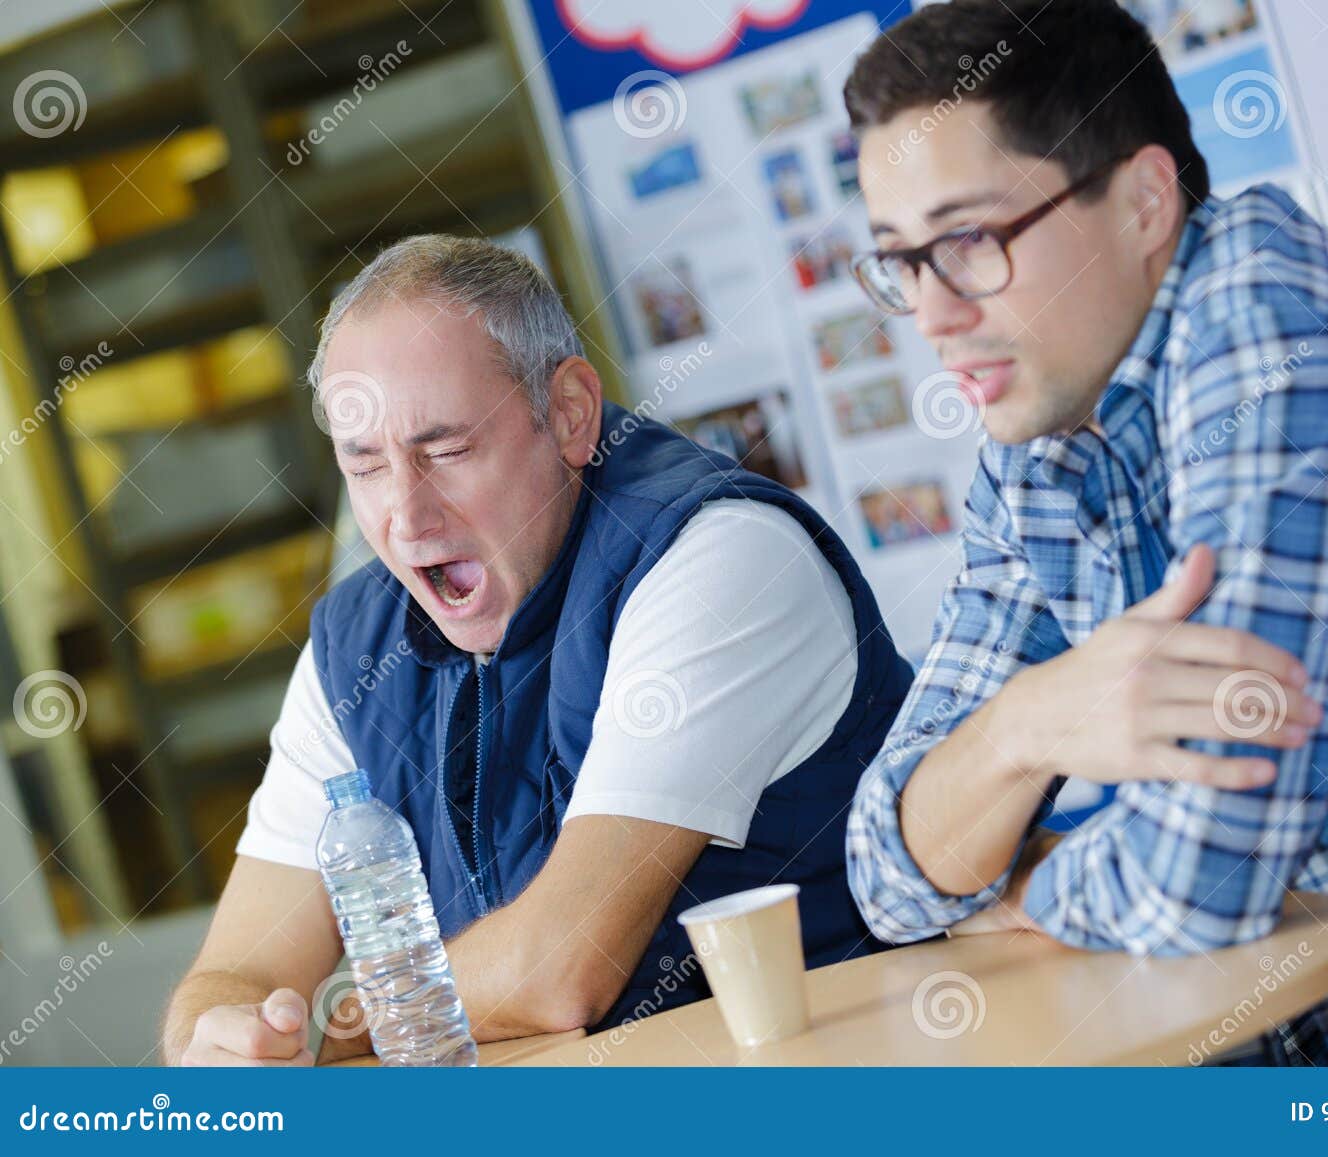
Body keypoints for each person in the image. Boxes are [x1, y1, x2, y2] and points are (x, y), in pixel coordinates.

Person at [842, 0, 1328, 1065]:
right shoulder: (1033, 438)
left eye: (967, 241)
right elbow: (884, 869)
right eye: (901, 262)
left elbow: (1201, 877)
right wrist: (1024, 723)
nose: (934, 315)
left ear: (1142, 203)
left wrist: (1030, 875)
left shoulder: (1265, 306)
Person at [161, 234, 916, 1065]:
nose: (406, 519)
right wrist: (228, 1036)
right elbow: (234, 971)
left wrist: (331, 1025)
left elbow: (560, 967)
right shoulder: (357, 643)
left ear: (569, 414)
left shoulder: (716, 555)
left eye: (445, 450)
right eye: (366, 465)